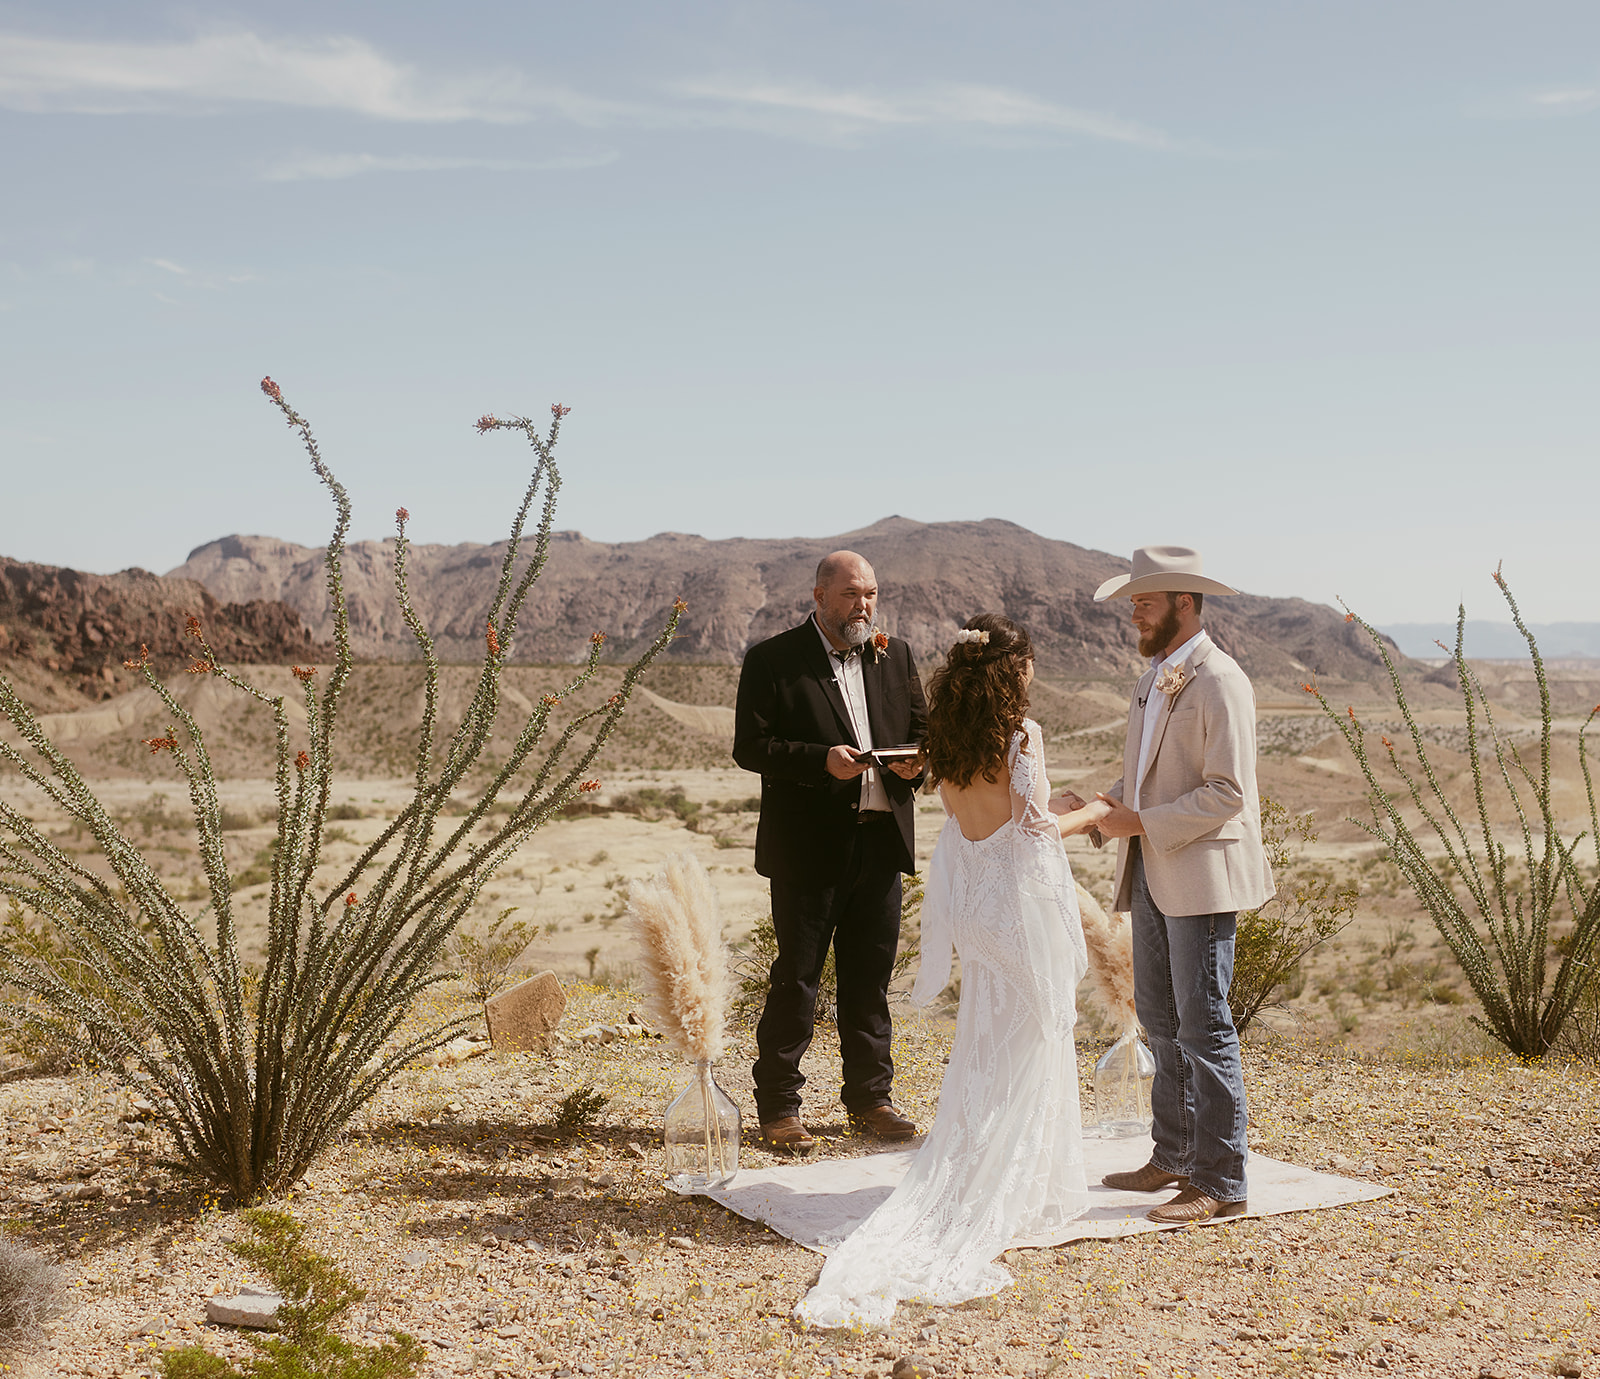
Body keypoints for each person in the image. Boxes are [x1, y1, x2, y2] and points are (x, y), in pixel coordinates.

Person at [795, 613, 1109, 1329]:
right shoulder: (1021, 735)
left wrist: (1050, 804)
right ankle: (1017, 1185)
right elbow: (1032, 828)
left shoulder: (947, 735)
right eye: (1029, 663)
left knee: (989, 1040)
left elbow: (992, 815)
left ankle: (982, 1165)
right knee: (1034, 1038)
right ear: (1013, 668)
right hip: (1018, 907)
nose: (1033, 673)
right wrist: (1092, 810)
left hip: (977, 907)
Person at [1085, 545, 1275, 1224]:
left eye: (1145, 601)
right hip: (1151, 869)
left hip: (1200, 877)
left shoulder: (1221, 680)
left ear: (1184, 603)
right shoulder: (1153, 680)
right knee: (1160, 1020)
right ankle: (1173, 1154)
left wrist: (1140, 820)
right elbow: (1144, 778)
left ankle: (1222, 1181)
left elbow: (1228, 792)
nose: (1134, 613)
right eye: (1134, 601)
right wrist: (1101, 806)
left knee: (1204, 1023)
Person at [732, 551, 928, 1154]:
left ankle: (871, 1100)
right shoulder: (772, 659)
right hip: (807, 849)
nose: (863, 606)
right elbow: (750, 747)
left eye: (871, 594)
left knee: (870, 981)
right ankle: (779, 1108)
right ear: (819, 596)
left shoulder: (896, 655)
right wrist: (821, 762)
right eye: (850, 594)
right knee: (797, 980)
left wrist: (917, 765)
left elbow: (921, 731)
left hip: (880, 843)